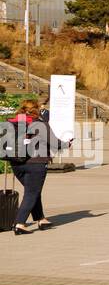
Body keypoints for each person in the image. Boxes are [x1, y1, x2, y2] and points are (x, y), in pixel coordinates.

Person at [7, 99, 55, 234]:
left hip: (16, 163)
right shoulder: (40, 124)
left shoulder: (13, 122)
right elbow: (56, 143)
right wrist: (67, 143)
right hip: (36, 163)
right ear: (36, 109)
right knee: (32, 193)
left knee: (33, 190)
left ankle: (41, 219)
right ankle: (19, 223)